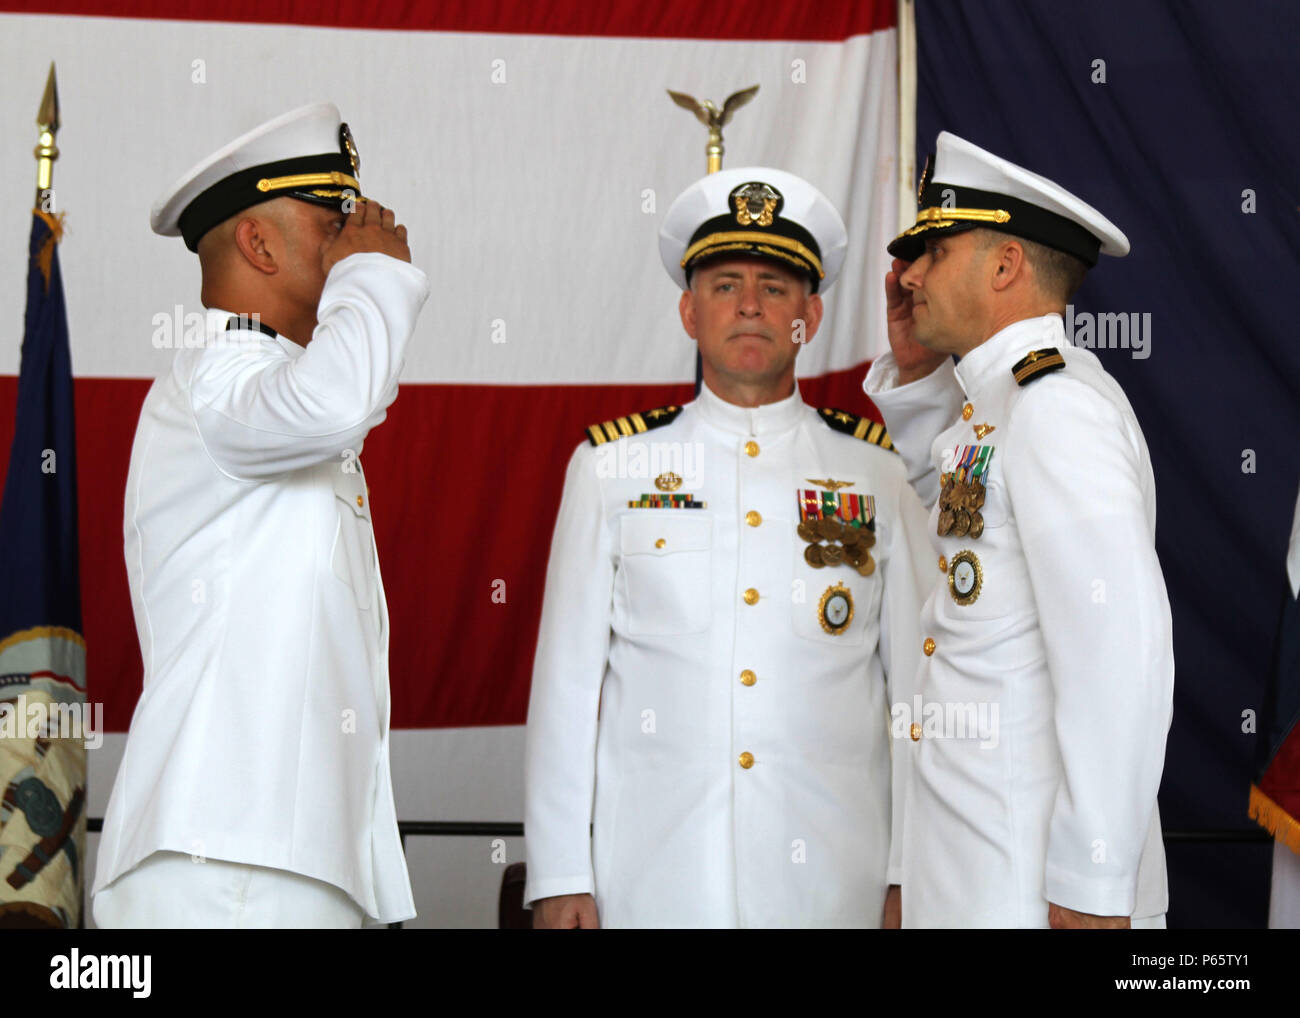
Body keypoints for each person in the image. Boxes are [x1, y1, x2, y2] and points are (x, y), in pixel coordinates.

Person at [523, 167, 932, 928]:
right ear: (688, 311)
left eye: (775, 287)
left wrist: (911, 872)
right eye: (724, 284)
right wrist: (558, 872)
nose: (750, 305)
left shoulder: (880, 472)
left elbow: (911, 691)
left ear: (809, 313)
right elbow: (567, 691)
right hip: (652, 878)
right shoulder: (611, 468)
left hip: (832, 879)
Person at [91, 104, 428, 928]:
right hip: (228, 861)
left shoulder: (262, 381)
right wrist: (377, 275)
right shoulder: (220, 372)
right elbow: (336, 402)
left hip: (277, 856)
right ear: (260, 243)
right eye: (332, 220)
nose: (354, 237)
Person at [863, 131, 1174, 928]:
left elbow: (1121, 657)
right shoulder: (997, 409)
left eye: (933, 250)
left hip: (1038, 893)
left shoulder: (1057, 407)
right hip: (976, 879)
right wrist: (916, 382)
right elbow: (965, 541)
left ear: (1004, 266)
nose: (909, 274)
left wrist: (1095, 883)